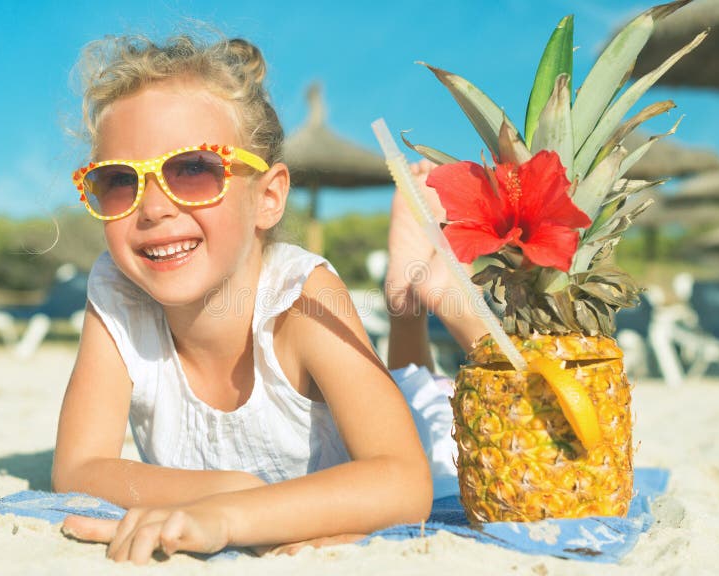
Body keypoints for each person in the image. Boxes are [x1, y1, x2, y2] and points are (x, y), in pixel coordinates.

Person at [52, 33, 436, 563]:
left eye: (192, 169)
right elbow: (77, 467)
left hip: (424, 437)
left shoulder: (300, 299)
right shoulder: (119, 293)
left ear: (268, 198)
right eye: (119, 180)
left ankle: (409, 298)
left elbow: (405, 482)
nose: (154, 208)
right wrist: (228, 489)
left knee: (425, 401)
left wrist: (230, 516)